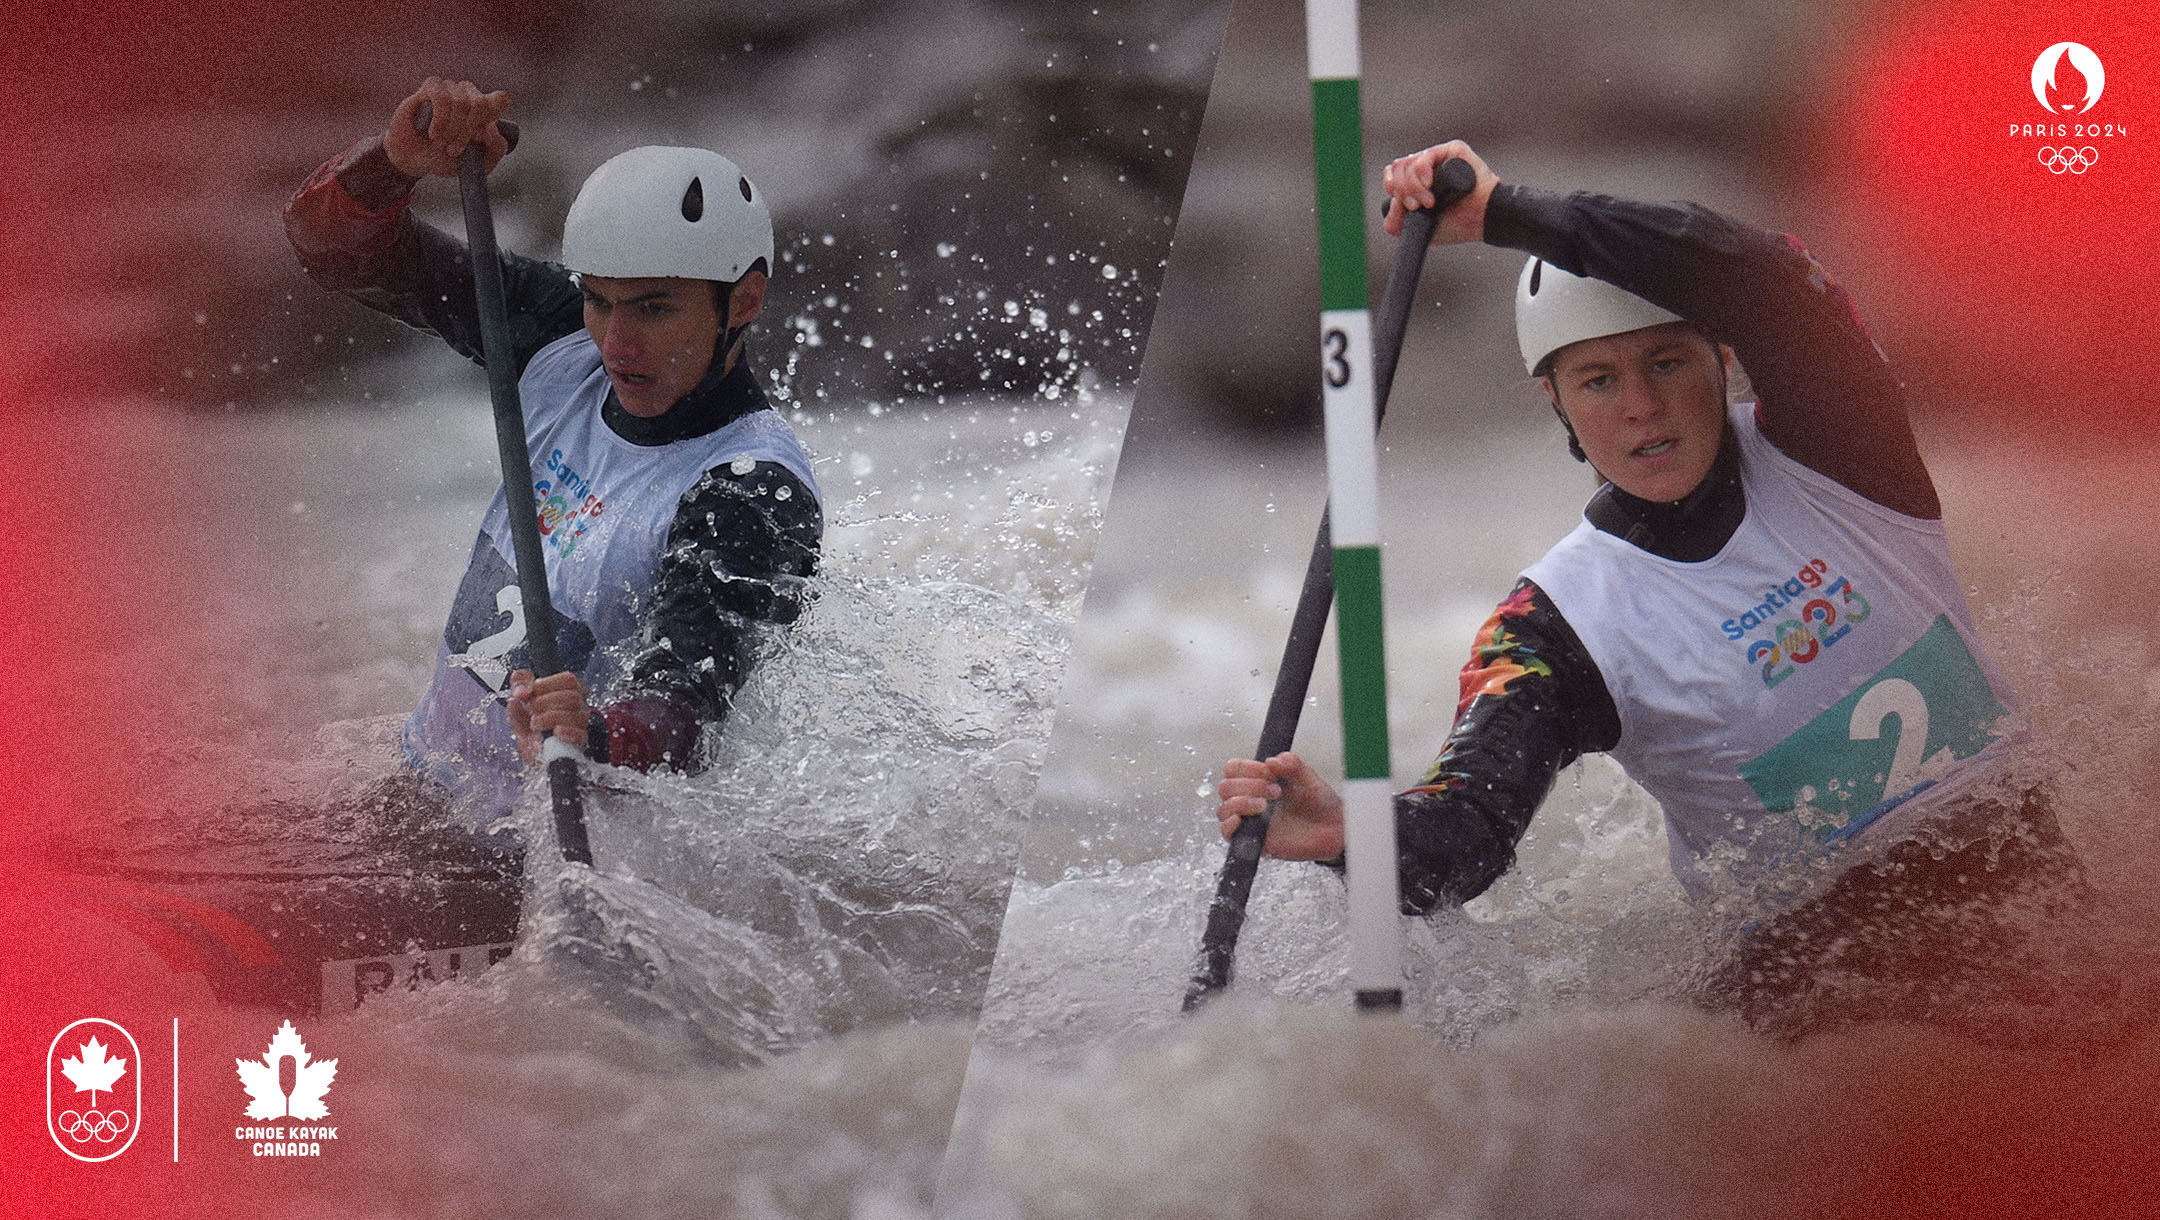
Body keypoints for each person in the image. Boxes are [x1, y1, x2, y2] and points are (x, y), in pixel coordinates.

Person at [1214, 140, 2082, 1035]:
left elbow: (1763, 274)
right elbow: (1463, 838)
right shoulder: (1552, 628)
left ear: (1722, 359)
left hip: (2035, 944)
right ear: (1558, 404)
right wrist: (1346, 833)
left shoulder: (1841, 448)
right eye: (1598, 379)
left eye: (1666, 362)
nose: (1641, 405)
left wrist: (1509, 212)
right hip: (1827, 1023)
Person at [285, 77, 823, 828]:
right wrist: (394, 164)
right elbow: (330, 247)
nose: (615, 342)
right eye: (600, 299)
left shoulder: (749, 496)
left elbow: (686, 719)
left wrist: (596, 732)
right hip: (420, 803)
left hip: (538, 862)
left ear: (744, 301)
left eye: (654, 309)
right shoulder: (559, 336)